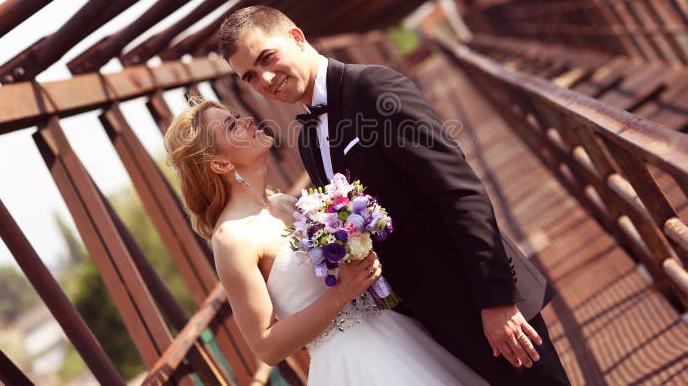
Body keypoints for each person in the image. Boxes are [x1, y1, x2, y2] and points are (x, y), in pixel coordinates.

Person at [216, 6, 570, 385]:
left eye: (267, 58)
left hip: (482, 303)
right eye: (249, 77)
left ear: (297, 38)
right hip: (426, 328)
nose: (266, 79)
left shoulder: (372, 89)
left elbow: (459, 190)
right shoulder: (308, 141)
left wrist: (496, 301)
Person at [164, 98, 488, 384]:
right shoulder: (232, 238)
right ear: (220, 164)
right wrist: (341, 294)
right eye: (232, 125)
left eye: (236, 113)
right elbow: (267, 346)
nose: (247, 120)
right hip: (350, 362)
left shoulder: (286, 204)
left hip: (394, 332)